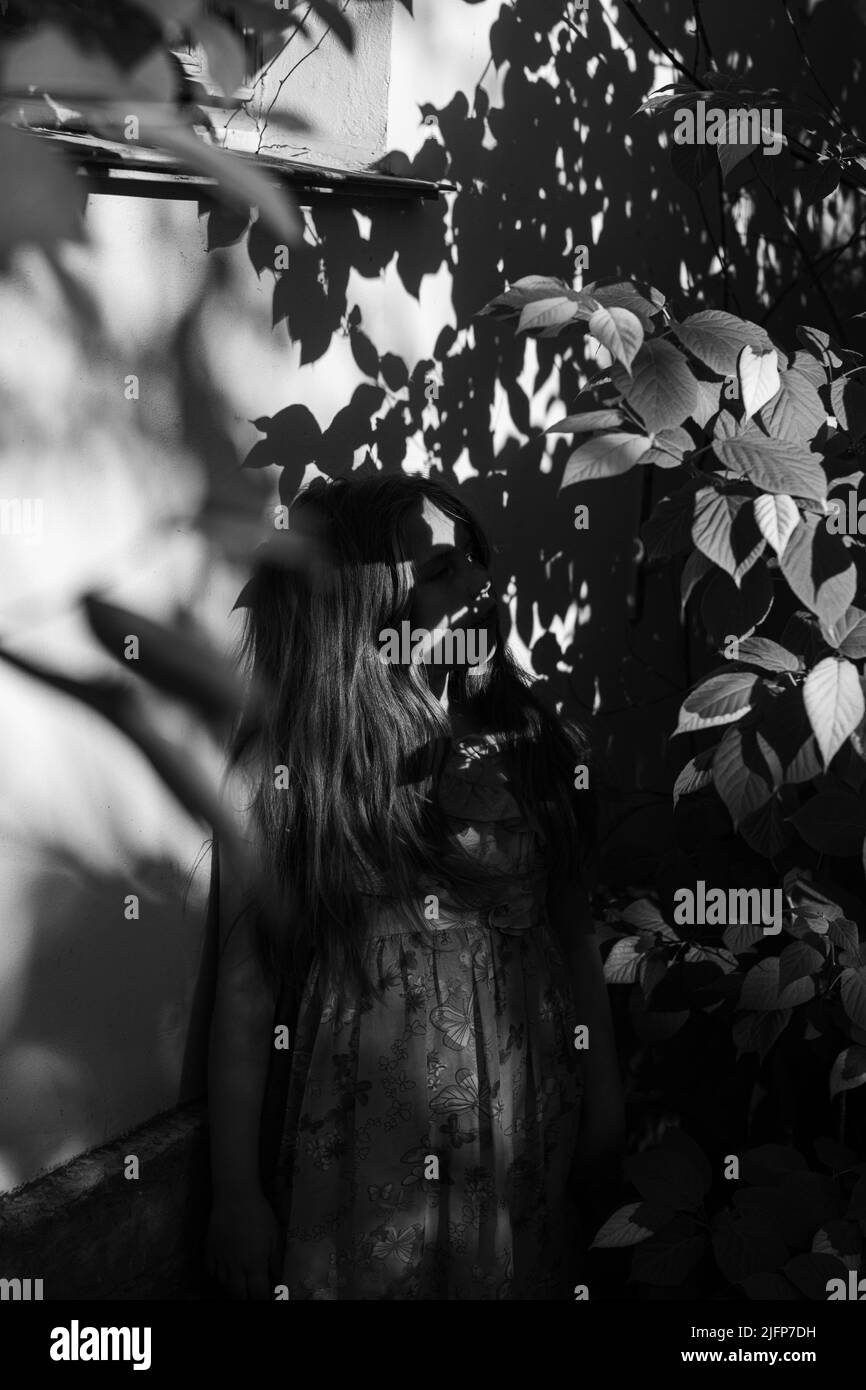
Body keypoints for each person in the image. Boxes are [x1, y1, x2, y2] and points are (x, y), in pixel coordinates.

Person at [205, 471, 624, 1300]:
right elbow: (247, 992)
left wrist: (607, 1108)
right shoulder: (297, 774)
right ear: (361, 616)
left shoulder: (530, 742)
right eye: (439, 572)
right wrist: (235, 1195)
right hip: (369, 1150)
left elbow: (577, 940)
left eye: (469, 556)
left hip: (527, 1116)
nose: (478, 582)